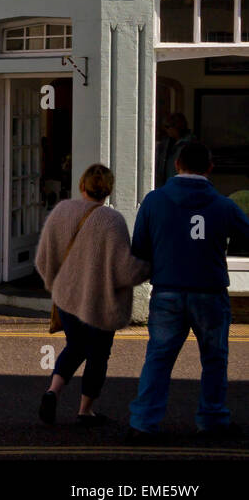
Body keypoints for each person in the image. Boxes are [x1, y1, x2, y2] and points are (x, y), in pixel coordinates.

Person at [126, 141, 249, 441]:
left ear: (177, 164)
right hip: (209, 291)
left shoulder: (154, 202)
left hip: (168, 290)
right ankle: (212, 420)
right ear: (209, 168)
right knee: (214, 359)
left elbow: (139, 248)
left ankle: (144, 423)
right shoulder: (224, 205)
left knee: (158, 358)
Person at [34, 164, 151, 427]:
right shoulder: (112, 220)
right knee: (98, 354)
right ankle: (85, 411)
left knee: (75, 346)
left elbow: (43, 260)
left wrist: (59, 284)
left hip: (67, 299)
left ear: (82, 186)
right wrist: (148, 268)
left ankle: (52, 391)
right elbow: (124, 270)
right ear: (108, 190)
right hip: (101, 304)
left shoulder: (61, 211)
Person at [155, 113, 193, 185]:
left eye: (167, 127)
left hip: (181, 185)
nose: (165, 130)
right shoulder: (165, 143)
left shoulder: (190, 144)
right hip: (165, 184)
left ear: (176, 127)